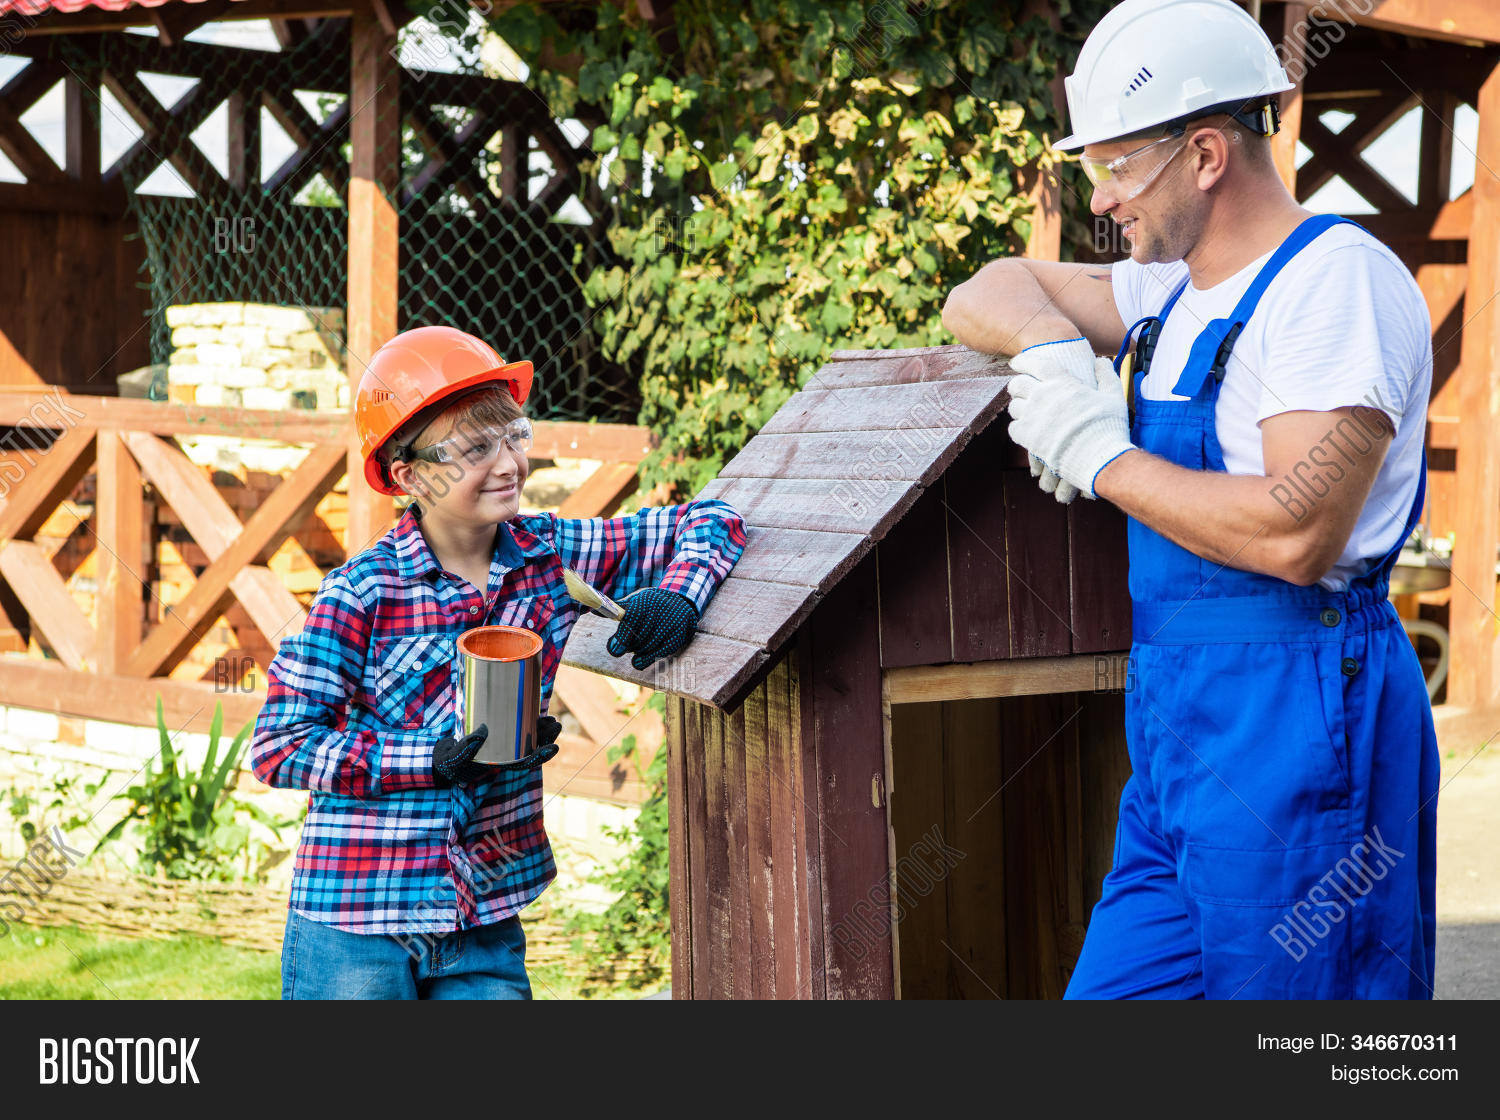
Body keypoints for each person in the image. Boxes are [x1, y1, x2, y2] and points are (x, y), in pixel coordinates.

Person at [943, 0, 1437, 999]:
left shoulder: (1333, 288)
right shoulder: (1167, 289)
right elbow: (981, 291)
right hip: (1178, 737)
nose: (1103, 199)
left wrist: (1099, 452)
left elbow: (1298, 531)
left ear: (1206, 154)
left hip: (1302, 719)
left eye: (1119, 167)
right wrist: (1052, 352)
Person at [250, 325, 746, 999]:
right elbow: (280, 746)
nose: (510, 462)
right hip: (356, 920)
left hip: (483, 918)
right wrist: (428, 759)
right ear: (410, 475)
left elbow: (713, 520)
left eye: (514, 435)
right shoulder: (361, 592)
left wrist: (680, 596)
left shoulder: (550, 558)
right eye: (477, 448)